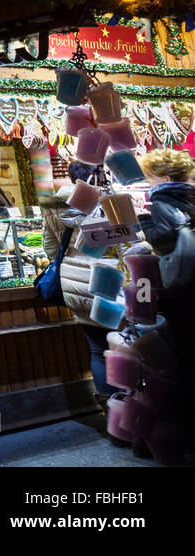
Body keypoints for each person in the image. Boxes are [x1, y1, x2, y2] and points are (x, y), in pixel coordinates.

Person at [42, 162, 120, 403]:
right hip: (108, 282)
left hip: (73, 283)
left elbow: (50, 246)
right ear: (98, 175)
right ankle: (128, 410)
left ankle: (110, 411)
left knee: (98, 349)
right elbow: (129, 243)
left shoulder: (56, 204)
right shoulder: (109, 202)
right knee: (121, 348)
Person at [137, 148, 195, 443]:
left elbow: (163, 239)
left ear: (164, 176)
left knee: (181, 357)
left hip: (181, 287)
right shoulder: (191, 194)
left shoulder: (161, 199)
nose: (147, 181)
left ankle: (183, 430)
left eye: (149, 174)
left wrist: (141, 222)